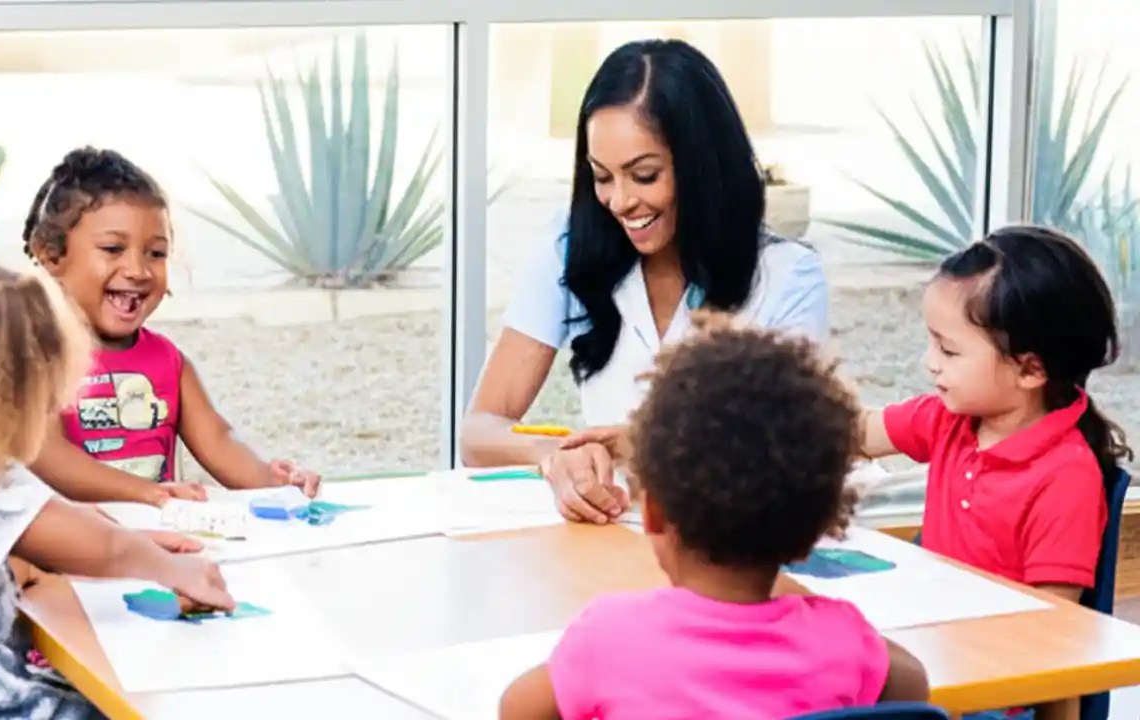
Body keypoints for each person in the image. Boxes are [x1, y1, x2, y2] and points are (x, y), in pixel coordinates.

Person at [460, 38, 829, 525]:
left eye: (645, 175)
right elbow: (479, 432)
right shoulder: (569, 248)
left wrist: (649, 444)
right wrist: (553, 457)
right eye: (602, 177)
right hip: (607, 535)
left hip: (733, 540)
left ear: (702, 166)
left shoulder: (786, 276)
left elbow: (792, 447)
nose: (619, 201)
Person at [498, 312, 928, 720]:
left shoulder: (608, 638)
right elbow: (912, 691)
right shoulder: (843, 640)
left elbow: (516, 708)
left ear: (653, 513)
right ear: (816, 529)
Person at [0, 257, 234, 719]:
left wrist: (123, 543)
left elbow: (48, 545)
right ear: (8, 402)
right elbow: (110, 548)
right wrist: (178, 570)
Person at [22, 147, 321, 507]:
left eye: (156, 253)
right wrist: (149, 492)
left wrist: (272, 481)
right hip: (70, 536)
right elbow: (48, 455)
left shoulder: (168, 362)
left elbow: (219, 440)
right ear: (51, 254)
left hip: (153, 533)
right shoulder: (37, 355)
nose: (138, 270)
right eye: (113, 248)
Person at [860, 226, 1131, 603]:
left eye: (948, 351)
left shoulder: (1066, 479)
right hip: (932, 623)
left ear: (1030, 370)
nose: (930, 363)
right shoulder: (949, 418)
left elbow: (1054, 620)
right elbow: (855, 432)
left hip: (1002, 640)